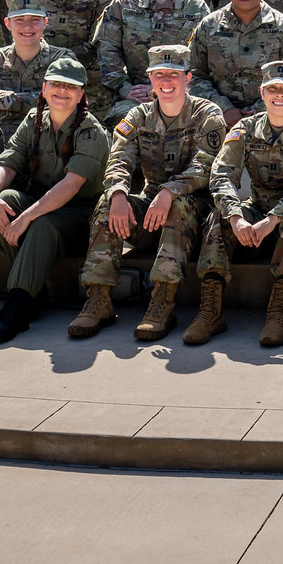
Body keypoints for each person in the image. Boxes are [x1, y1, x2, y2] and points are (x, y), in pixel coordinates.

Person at [70, 43, 225, 342]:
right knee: (107, 202)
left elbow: (206, 166)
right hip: (152, 213)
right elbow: (119, 160)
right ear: (150, 78)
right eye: (159, 74)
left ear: (188, 78)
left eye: (174, 74)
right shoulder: (137, 116)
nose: (166, 81)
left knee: (179, 204)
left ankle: (162, 301)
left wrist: (169, 192)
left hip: (196, 216)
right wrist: (118, 193)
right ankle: (98, 299)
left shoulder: (208, 114)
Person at [0, 57, 110, 346]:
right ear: (44, 88)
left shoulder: (91, 132)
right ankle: (32, 294)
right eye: (56, 84)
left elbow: (71, 186)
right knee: (6, 200)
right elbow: (10, 161)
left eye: (70, 87)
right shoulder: (34, 121)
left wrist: (27, 216)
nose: (62, 91)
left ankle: (17, 305)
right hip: (43, 205)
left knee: (41, 223)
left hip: (80, 217)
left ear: (81, 94)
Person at [204, 59, 283, 347]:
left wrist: (274, 218)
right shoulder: (245, 128)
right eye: (273, 89)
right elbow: (222, 174)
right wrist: (236, 217)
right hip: (258, 211)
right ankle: (210, 309)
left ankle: (279, 311)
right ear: (262, 93)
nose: (279, 95)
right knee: (218, 217)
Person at [95, 0, 213, 127]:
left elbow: (203, 61)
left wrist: (164, 88)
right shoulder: (125, 2)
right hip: (135, 96)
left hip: (182, 95)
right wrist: (124, 88)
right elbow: (107, 48)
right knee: (123, 121)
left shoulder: (196, 8)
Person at [189, 0, 283, 126]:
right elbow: (193, 75)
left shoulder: (282, 26)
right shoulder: (209, 26)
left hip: (273, 120)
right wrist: (223, 108)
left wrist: (257, 112)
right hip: (219, 121)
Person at [0, 0, 72, 136]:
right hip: (1, 139)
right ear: (7, 24)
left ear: (45, 23)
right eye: (19, 20)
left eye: (35, 19)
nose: (27, 27)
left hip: (49, 137)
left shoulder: (62, 59)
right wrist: (34, 100)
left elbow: (61, 102)